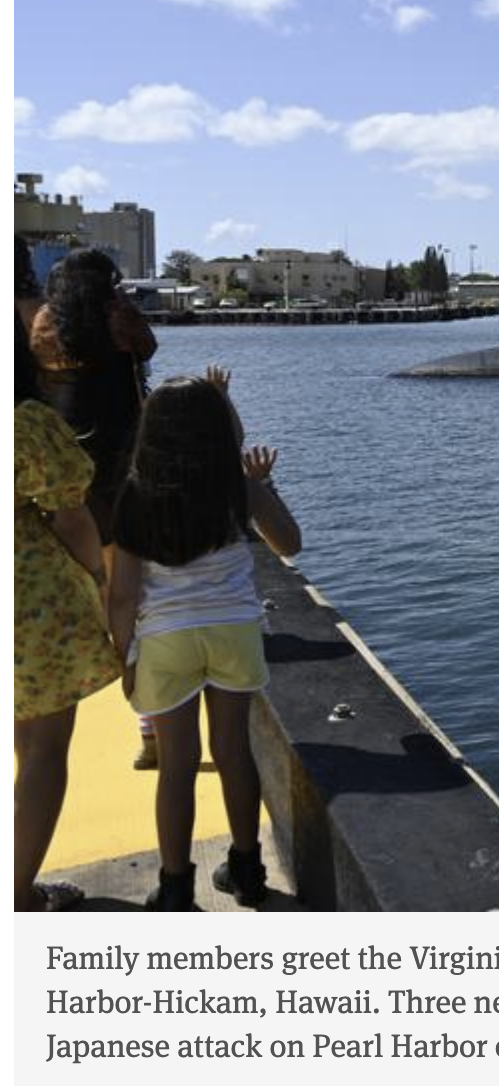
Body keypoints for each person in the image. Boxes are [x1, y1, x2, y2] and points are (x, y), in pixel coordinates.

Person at [109, 374, 302, 911]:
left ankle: (174, 889)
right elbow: (290, 545)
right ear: (221, 433)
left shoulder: (135, 494)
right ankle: (247, 871)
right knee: (234, 751)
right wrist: (264, 487)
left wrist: (122, 655)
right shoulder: (237, 488)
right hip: (233, 632)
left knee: (177, 765)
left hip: (166, 639)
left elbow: (123, 595)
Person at [30, 249, 159, 768]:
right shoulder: (119, 316)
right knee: (135, 598)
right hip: (125, 462)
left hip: (65, 471)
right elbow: (147, 349)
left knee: (99, 596)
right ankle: (149, 725)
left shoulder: (45, 322)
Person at [15, 317, 120, 911]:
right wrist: (99, 577)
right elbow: (72, 518)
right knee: (44, 747)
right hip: (31, 603)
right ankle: (20, 893)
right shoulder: (25, 423)